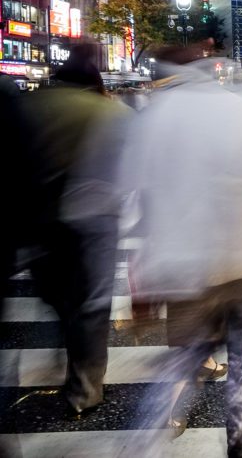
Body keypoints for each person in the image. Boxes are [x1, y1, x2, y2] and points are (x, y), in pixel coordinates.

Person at [125, 46, 242, 457]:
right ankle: (241, 440)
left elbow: (137, 196)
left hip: (183, 265)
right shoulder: (240, 110)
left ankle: (141, 441)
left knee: (188, 356)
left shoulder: (153, 118)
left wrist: (143, 267)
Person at [21, 45, 131, 417]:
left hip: (41, 218)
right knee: (93, 303)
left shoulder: (30, 108)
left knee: (58, 295)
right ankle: (85, 385)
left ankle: (67, 348)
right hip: (96, 218)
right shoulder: (108, 111)